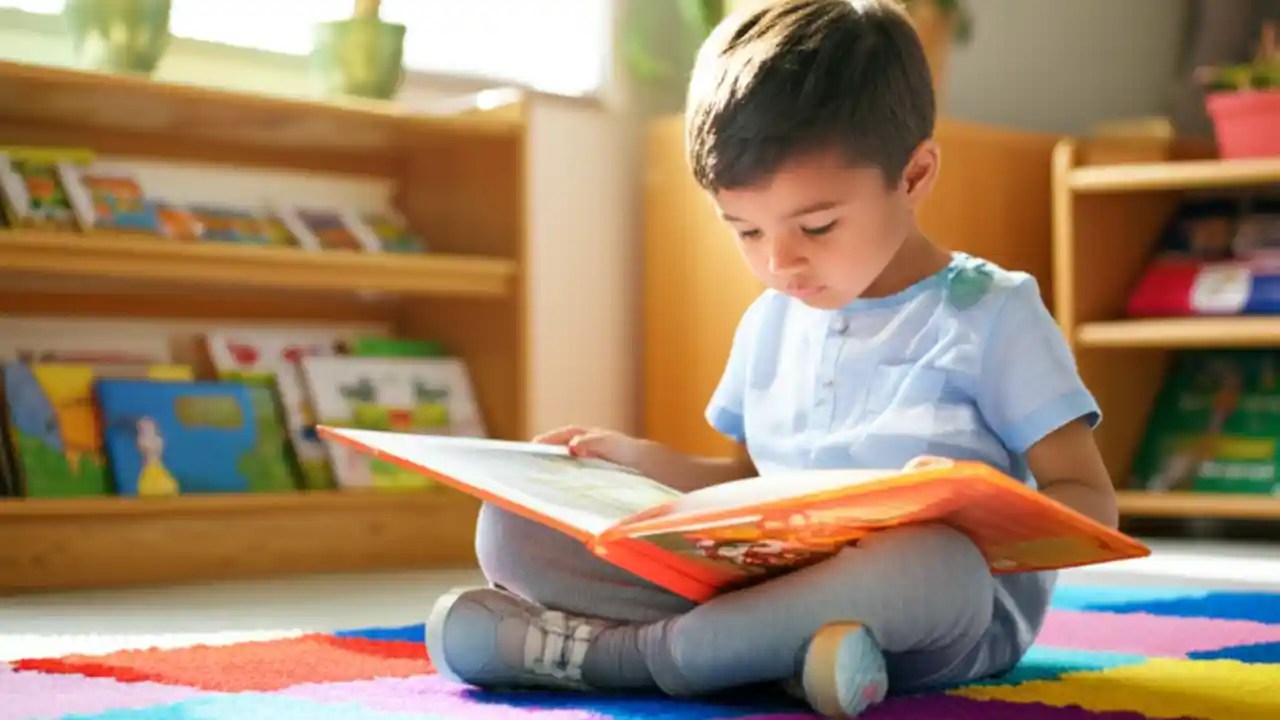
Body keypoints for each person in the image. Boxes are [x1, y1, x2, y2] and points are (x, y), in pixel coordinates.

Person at [424, 1, 1118, 717]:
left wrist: (973, 507)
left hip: (937, 615)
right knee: (511, 526)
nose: (780, 261)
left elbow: (1091, 502)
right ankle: (774, 658)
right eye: (746, 229)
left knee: (937, 566)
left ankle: (625, 658)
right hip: (764, 587)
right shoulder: (772, 319)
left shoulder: (991, 313)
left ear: (913, 176)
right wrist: (630, 463)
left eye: (816, 225)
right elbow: (744, 481)